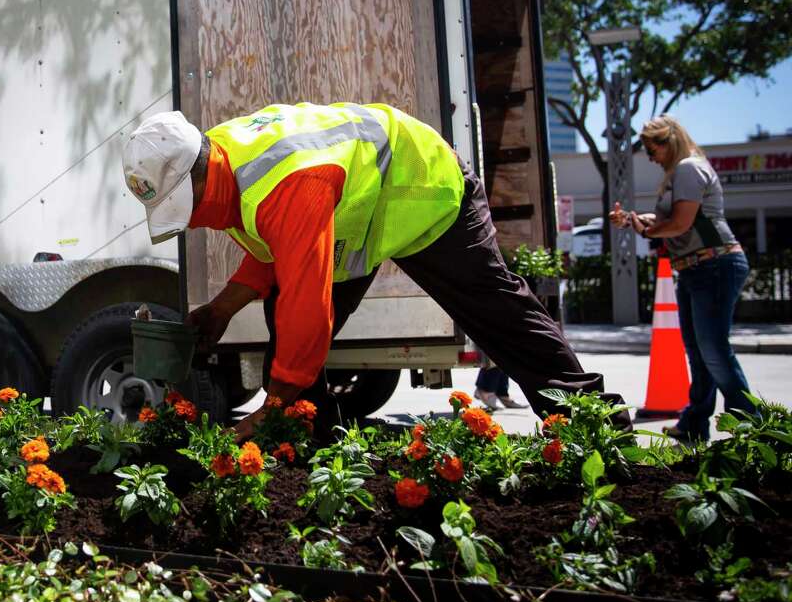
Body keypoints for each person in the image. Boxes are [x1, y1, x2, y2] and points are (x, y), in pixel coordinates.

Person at [120, 102, 627, 436]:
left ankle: (590, 419)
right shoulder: (227, 158)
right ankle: (309, 436)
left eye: (182, 206)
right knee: (284, 320)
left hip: (425, 190)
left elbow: (306, 298)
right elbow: (276, 247)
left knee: (497, 314)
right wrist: (224, 308)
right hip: (358, 214)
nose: (189, 221)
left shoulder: (288, 184)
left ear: (197, 178)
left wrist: (269, 408)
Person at [609, 115, 753, 441]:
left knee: (713, 349)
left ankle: (750, 422)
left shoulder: (688, 168)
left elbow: (679, 224)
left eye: (651, 149)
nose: (649, 157)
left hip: (714, 265)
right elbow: (669, 220)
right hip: (696, 268)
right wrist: (634, 220)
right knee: (701, 352)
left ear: (668, 142)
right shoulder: (680, 173)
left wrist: (647, 228)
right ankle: (694, 423)